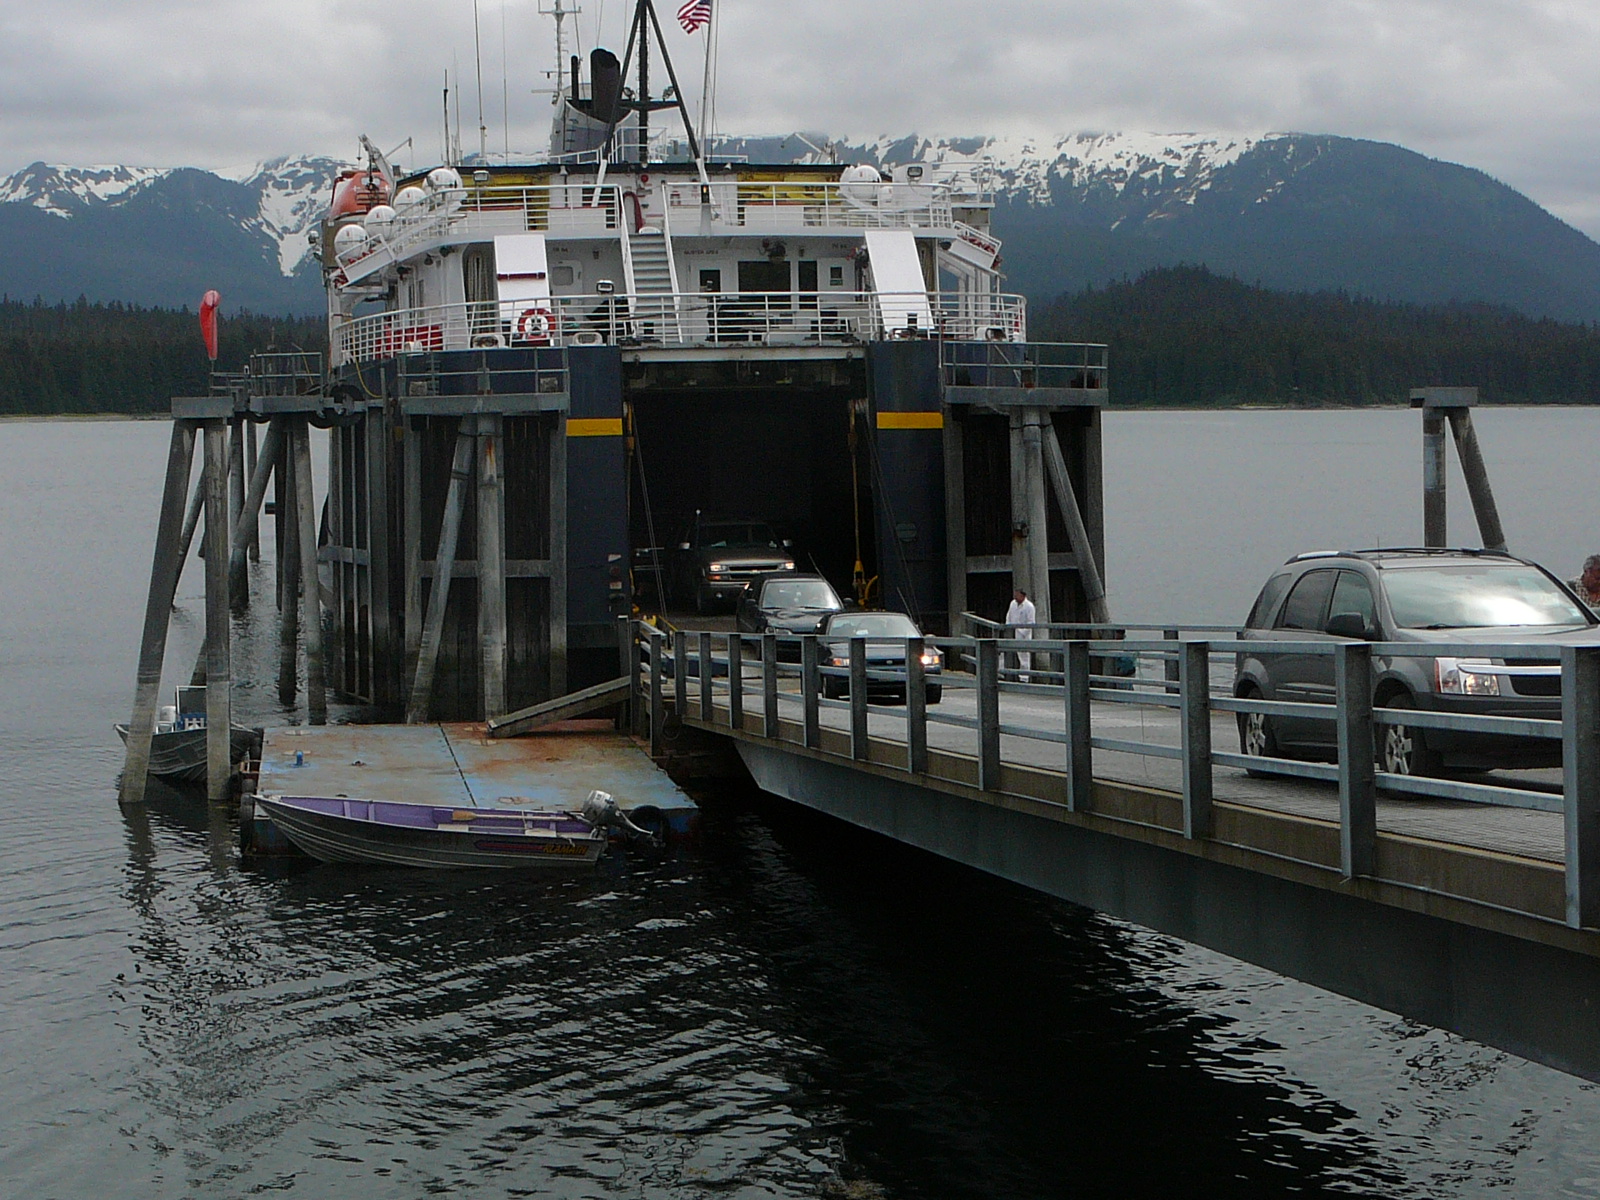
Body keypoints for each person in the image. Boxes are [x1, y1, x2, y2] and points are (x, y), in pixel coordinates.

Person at [1005, 587, 1037, 682]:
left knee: (1024, 655)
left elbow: (1031, 622)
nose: (1015, 596)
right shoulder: (1013, 604)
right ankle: (1013, 675)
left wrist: (1023, 631)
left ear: (1023, 595)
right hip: (1014, 631)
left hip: (1024, 633)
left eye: (1017, 594)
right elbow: (1009, 616)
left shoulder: (1029, 606)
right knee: (1015, 654)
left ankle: (1024, 677)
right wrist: (1008, 627)